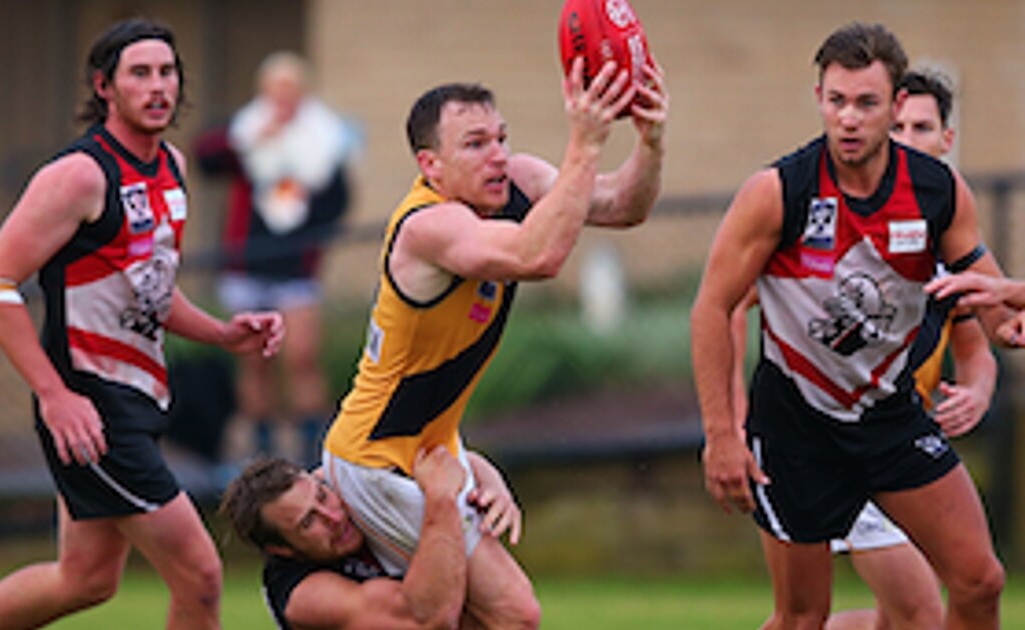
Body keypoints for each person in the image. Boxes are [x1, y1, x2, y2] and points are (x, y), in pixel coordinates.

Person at [0, 18, 284, 630]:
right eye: (140, 73)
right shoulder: (78, 176)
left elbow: (149, 289)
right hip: (92, 407)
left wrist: (220, 332)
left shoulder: (172, 168)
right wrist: (55, 396)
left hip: (139, 395)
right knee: (201, 574)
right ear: (104, 87)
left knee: (85, 580)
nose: (158, 86)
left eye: (167, 72)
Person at [322, 53, 668, 628]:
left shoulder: (521, 183)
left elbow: (624, 207)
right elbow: (538, 256)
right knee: (511, 611)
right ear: (430, 164)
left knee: (469, 615)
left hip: (431, 452)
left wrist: (651, 141)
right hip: (376, 457)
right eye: (476, 143)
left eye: (501, 137)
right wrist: (583, 144)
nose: (499, 155)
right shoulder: (428, 226)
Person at [691, 22, 1006, 629]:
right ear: (819, 101)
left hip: (890, 419)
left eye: (866, 103)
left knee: (980, 581)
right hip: (796, 430)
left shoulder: (937, 192)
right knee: (804, 616)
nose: (850, 119)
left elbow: (986, 296)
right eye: (837, 102)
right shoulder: (779, 192)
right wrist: (722, 434)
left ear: (894, 106)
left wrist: (1005, 323)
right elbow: (712, 307)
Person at [195, 51, 354, 472]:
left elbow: (338, 202)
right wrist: (249, 141)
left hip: (296, 265)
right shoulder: (248, 130)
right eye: (275, 92)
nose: (283, 101)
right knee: (254, 360)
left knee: (302, 355)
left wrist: (303, 207)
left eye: (291, 91)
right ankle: (262, 454)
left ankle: (313, 449)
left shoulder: (322, 139)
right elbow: (206, 157)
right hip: (248, 261)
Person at [220, 446, 521, 629]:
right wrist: (440, 502)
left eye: (322, 497)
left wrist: (496, 489)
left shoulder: (337, 480)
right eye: (309, 522)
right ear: (282, 549)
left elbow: (449, 462)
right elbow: (426, 620)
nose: (334, 518)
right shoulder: (305, 598)